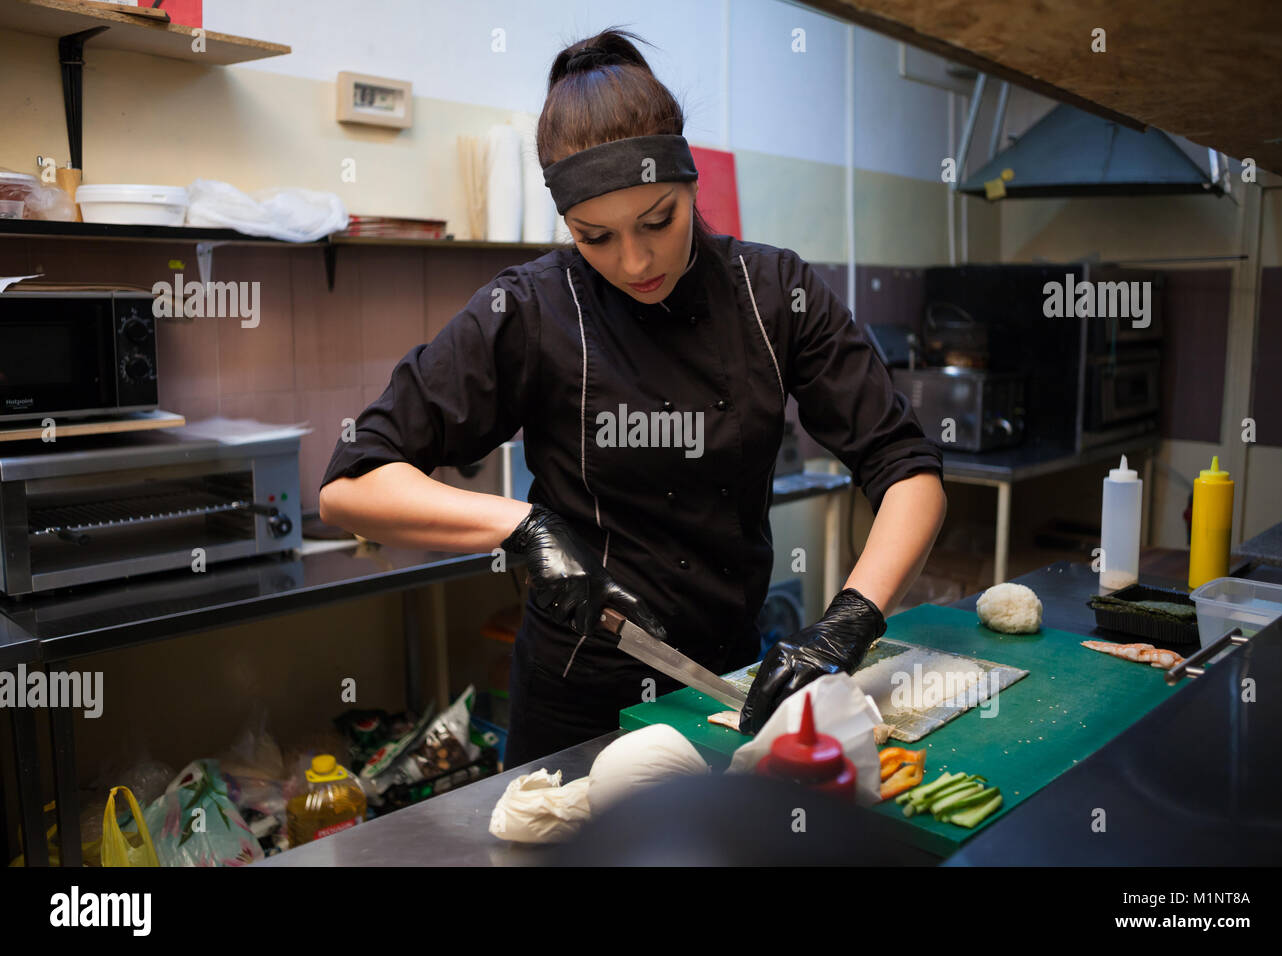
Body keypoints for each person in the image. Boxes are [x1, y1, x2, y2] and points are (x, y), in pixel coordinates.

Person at [318, 28, 947, 768]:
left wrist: (848, 623)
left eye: (658, 222)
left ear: (691, 184)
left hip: (726, 685)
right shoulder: (529, 310)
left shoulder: (776, 293)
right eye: (596, 237)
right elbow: (352, 483)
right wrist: (525, 529)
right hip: (576, 701)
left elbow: (906, 466)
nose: (636, 260)